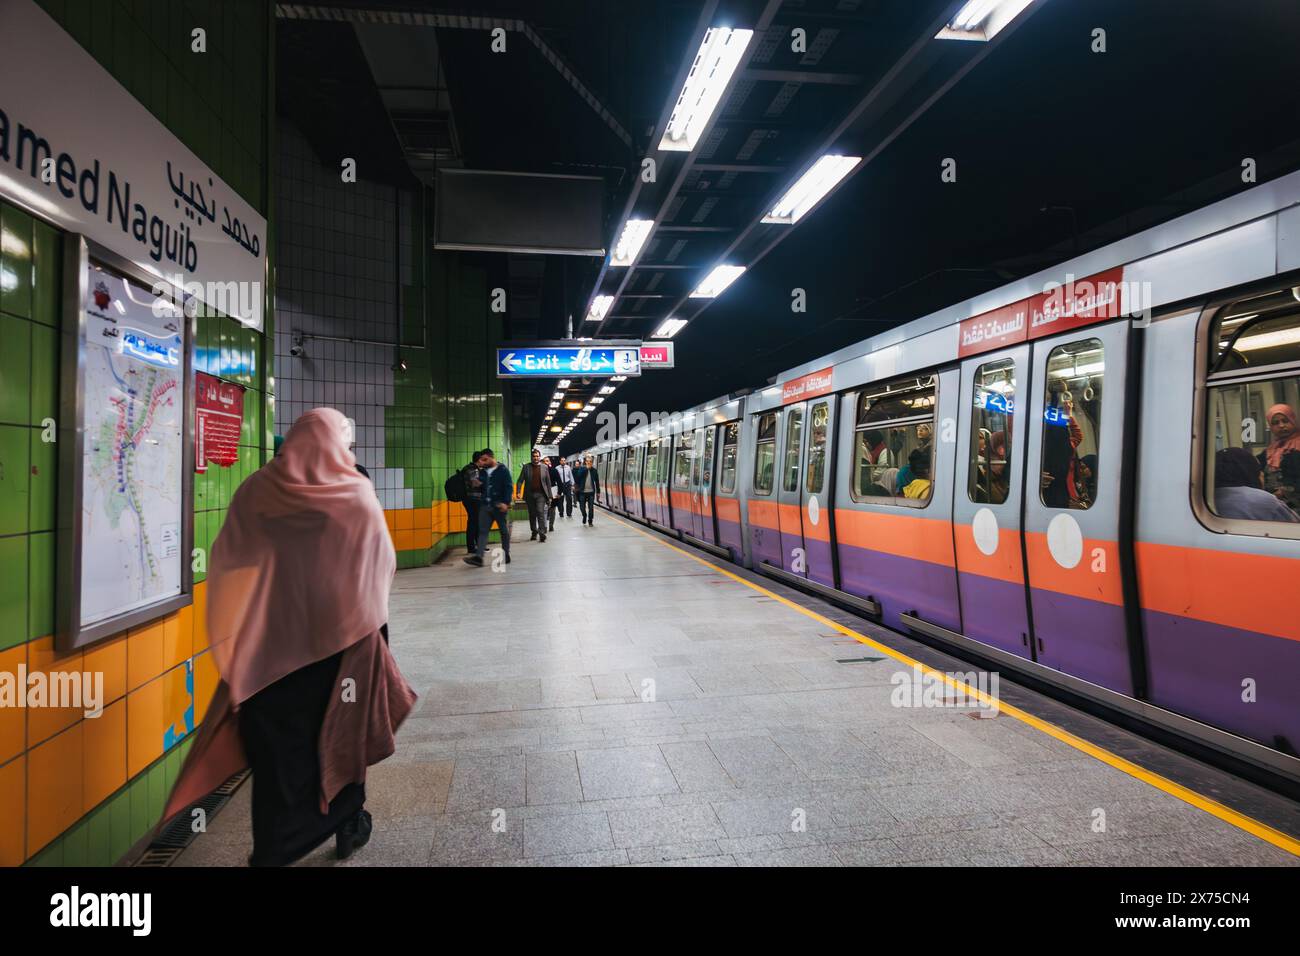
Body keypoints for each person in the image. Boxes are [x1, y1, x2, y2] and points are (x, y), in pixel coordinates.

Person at [160, 408, 417, 866]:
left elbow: (230, 561)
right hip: (343, 649)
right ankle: (346, 820)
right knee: (340, 738)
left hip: (269, 650)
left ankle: (275, 847)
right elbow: (381, 569)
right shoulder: (355, 494)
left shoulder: (257, 491)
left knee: (278, 754)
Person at [1215, 446, 1299, 521]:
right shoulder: (1265, 501)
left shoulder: (1208, 498)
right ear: (1249, 472)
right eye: (1258, 469)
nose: (1262, 474)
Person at [465, 448, 512, 565]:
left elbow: (508, 487)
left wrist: (506, 503)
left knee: (503, 531)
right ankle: (479, 557)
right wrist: (477, 483)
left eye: (485, 459)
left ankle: (506, 554)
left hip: (499, 505)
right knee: (483, 531)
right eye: (482, 460)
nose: (483, 462)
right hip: (485, 505)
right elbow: (482, 485)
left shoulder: (503, 470)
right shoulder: (483, 471)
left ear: (492, 457)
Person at [1260, 403, 1300, 512]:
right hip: (1276, 508)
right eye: (1275, 423)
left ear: (1293, 421)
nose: (1281, 425)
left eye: (1285, 421)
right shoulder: (1269, 451)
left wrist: (1285, 492)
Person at [516, 448, 554, 542]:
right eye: (534, 456)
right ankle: (534, 532)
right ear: (531, 457)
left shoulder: (544, 467)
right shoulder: (526, 467)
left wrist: (550, 496)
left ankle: (541, 533)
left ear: (539, 457)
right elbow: (520, 480)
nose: (536, 458)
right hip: (529, 494)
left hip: (541, 495)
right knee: (532, 514)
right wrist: (518, 491)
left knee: (540, 512)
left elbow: (548, 483)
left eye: (537, 456)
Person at [460, 450, 484, 554]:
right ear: (479, 460)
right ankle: (471, 547)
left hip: (473, 499)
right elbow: (475, 483)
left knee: (476, 522)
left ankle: (478, 545)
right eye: (483, 460)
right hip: (472, 499)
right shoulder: (472, 469)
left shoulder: (472, 468)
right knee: (473, 522)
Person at [574, 455, 601, 525]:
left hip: (591, 492)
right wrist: (586, 469)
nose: (589, 463)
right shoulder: (582, 469)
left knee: (591, 507)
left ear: (592, 462)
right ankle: (584, 515)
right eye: (588, 461)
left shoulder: (594, 471)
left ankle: (590, 520)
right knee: (582, 507)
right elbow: (578, 477)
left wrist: (598, 492)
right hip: (582, 492)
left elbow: (597, 482)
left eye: (591, 462)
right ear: (585, 462)